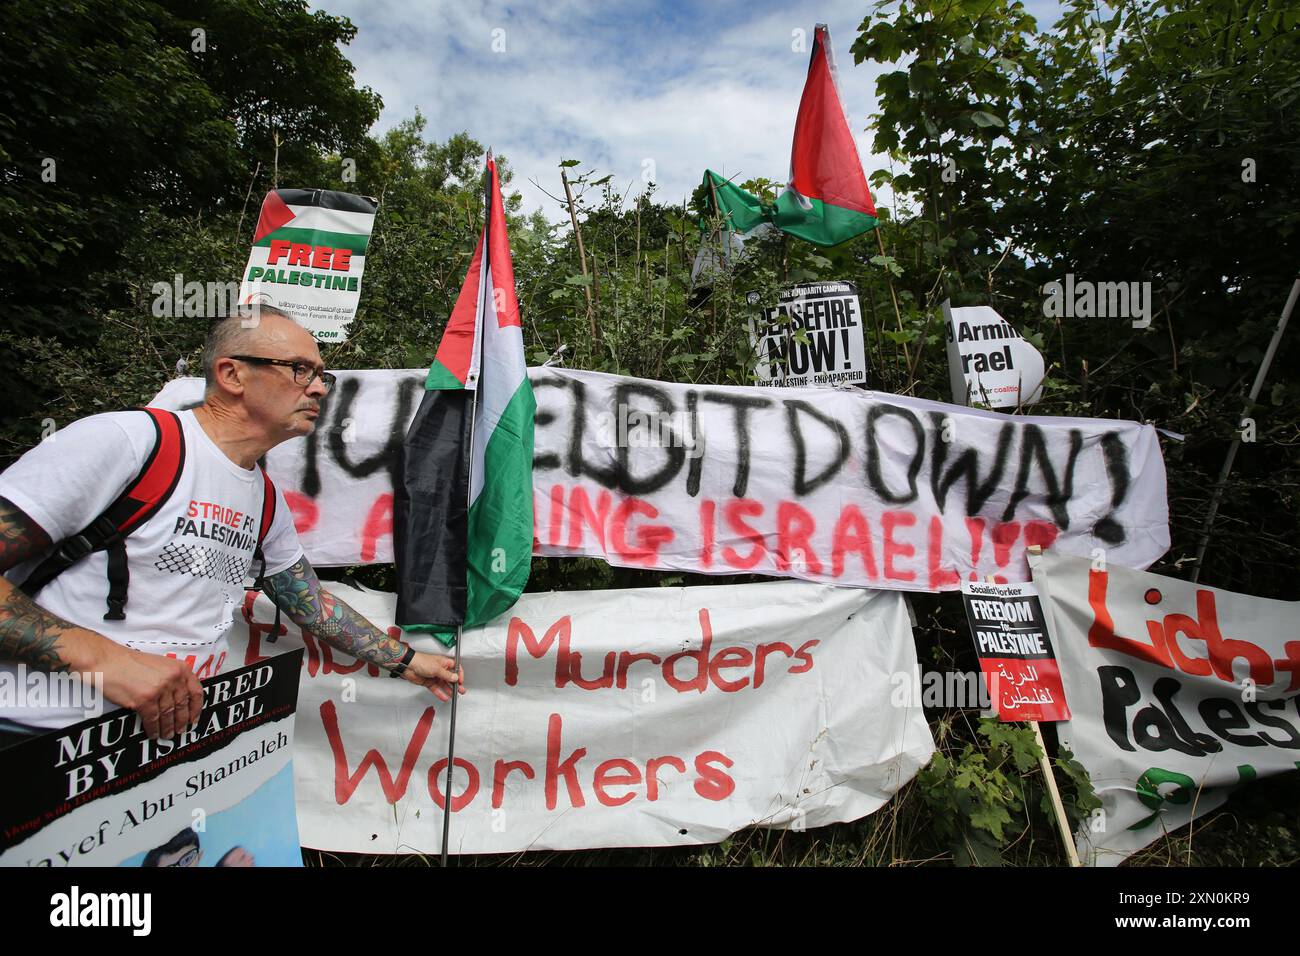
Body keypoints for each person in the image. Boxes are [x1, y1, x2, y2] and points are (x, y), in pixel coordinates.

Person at [0, 305, 463, 746]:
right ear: (232, 374)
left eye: (322, 375)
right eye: (301, 369)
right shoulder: (129, 443)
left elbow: (311, 604)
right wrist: (105, 660)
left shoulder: (263, 499)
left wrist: (404, 660)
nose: (319, 388)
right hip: (34, 737)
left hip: (163, 750)